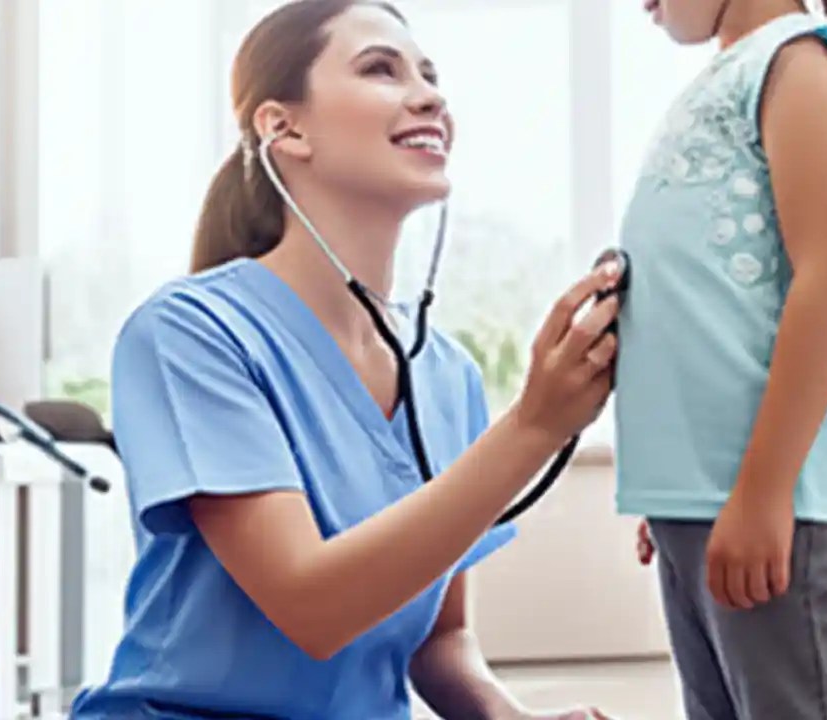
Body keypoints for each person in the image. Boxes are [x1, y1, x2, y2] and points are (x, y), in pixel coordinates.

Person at [70, 2, 621, 718]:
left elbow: (441, 640)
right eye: (380, 69)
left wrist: (512, 719)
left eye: (429, 74)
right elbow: (313, 607)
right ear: (283, 127)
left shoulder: (446, 376)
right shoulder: (189, 334)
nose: (430, 96)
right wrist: (534, 429)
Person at [615, 0, 827, 718]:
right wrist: (676, 485)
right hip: (705, 499)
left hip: (776, 501)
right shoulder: (729, 74)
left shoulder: (797, 60)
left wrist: (763, 491)